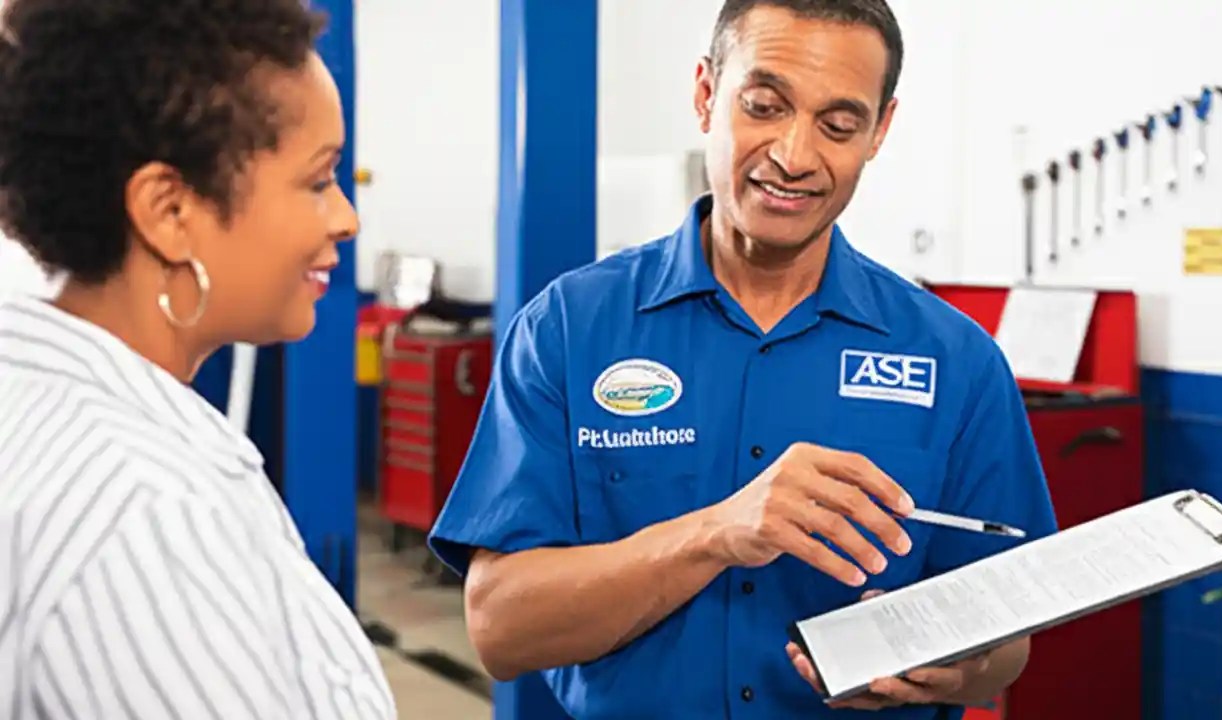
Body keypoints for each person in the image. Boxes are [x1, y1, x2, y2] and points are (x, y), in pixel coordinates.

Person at [430, 0, 1058, 717]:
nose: (794, 156)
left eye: (839, 125)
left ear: (879, 132)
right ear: (706, 95)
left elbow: (1008, 643)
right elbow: (501, 629)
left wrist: (958, 670)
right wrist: (719, 531)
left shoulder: (957, 362)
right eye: (764, 106)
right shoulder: (570, 329)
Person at [0, 1, 395, 718]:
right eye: (317, 180)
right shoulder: (146, 512)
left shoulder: (37, 400)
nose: (346, 216)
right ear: (170, 211)